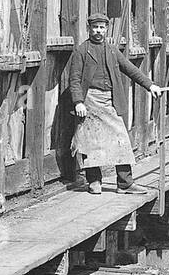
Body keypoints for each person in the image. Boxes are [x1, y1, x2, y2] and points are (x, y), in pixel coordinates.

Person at [69, 12, 162, 194]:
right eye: (95, 27)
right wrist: (78, 102)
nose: (98, 31)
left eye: (102, 28)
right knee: (91, 142)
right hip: (90, 101)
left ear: (106, 29)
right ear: (89, 29)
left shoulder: (112, 50)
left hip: (109, 100)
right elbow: (74, 79)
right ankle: (94, 181)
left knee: (121, 139)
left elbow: (130, 69)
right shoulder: (81, 51)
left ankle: (125, 183)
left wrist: (150, 85)